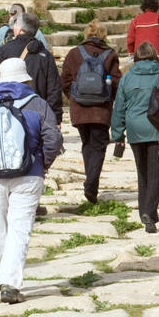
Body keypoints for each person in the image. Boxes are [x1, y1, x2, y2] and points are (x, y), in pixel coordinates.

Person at [0, 57, 63, 304]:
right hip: (29, 175)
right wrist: (43, 163)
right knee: (19, 229)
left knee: (3, 227)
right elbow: (53, 139)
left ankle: (4, 277)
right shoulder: (38, 104)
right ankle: (9, 283)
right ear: (25, 78)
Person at [110, 42, 159, 233]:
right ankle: (149, 210)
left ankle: (145, 213)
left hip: (135, 131)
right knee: (158, 171)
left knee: (143, 172)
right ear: (155, 56)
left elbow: (119, 108)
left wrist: (117, 135)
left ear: (137, 58)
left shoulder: (127, 78)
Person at [59, 20, 122, 204]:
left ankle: (90, 181)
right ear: (103, 36)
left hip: (79, 109)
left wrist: (74, 97)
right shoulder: (110, 54)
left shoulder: (73, 53)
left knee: (87, 144)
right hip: (101, 110)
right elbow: (117, 82)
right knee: (99, 146)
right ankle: (91, 184)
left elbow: (64, 80)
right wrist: (108, 98)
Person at [0, 12, 63, 124]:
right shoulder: (45, 55)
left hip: (7, 113)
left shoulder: (4, 51)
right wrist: (55, 118)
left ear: (19, 30)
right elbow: (54, 89)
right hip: (37, 115)